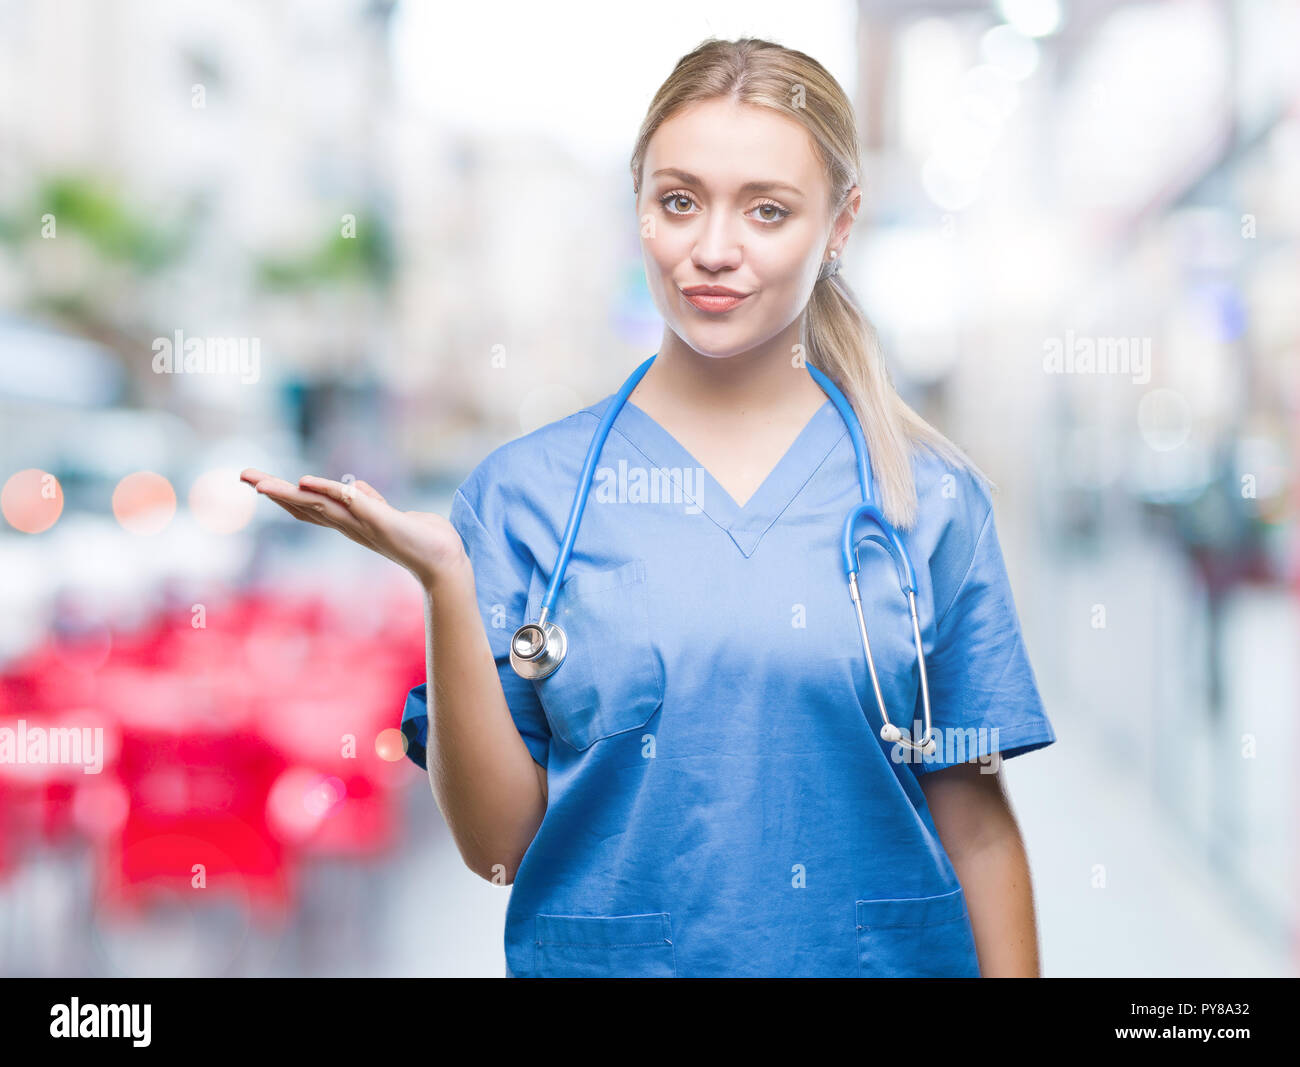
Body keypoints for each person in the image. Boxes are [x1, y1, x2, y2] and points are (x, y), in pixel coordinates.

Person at [241, 36, 1056, 978]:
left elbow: (978, 826)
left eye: (768, 210)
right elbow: (500, 847)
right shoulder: (524, 499)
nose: (713, 249)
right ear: (640, 209)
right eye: (680, 201)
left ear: (840, 225)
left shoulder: (929, 500)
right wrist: (447, 586)